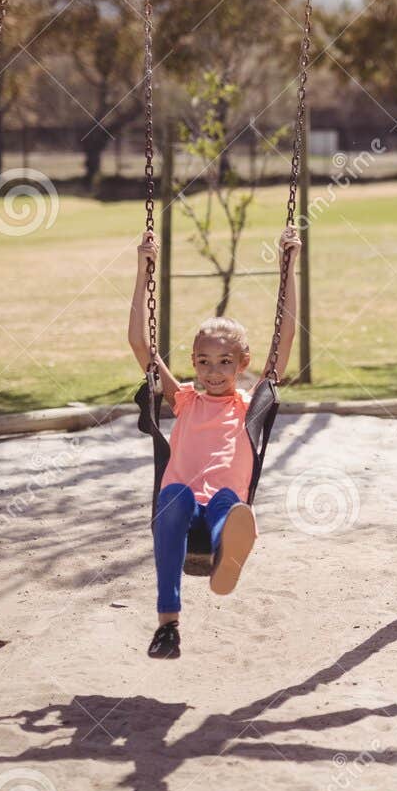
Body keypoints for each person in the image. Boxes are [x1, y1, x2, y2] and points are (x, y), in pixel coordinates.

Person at [129, 226, 300, 659]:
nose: (214, 371)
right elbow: (140, 344)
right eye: (204, 362)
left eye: (226, 362)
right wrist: (142, 270)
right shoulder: (184, 400)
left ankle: (229, 552)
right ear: (193, 364)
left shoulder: (249, 405)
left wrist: (289, 269)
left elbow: (286, 341)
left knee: (229, 505)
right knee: (172, 501)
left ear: (244, 364)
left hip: (223, 503)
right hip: (183, 505)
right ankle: (168, 625)